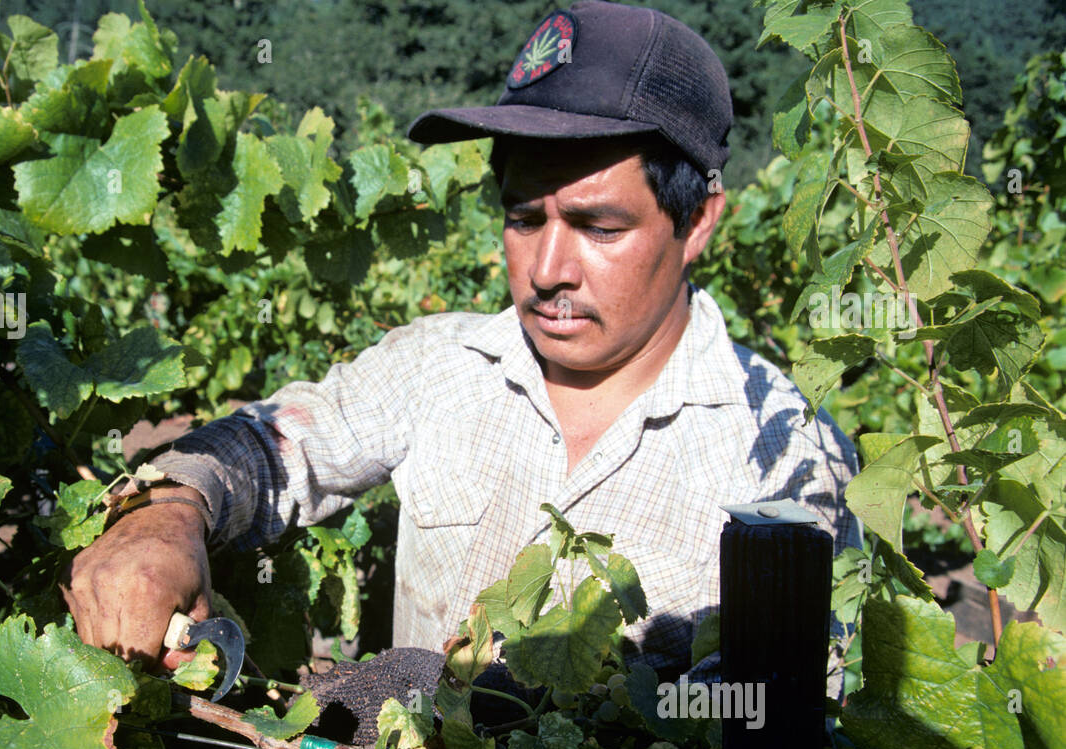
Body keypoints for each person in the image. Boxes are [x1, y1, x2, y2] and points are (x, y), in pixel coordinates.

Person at [60, 1, 861, 676]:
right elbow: (272, 447)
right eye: (522, 218)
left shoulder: (784, 456)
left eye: (597, 226)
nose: (547, 268)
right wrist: (164, 513)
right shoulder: (441, 364)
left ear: (697, 225)